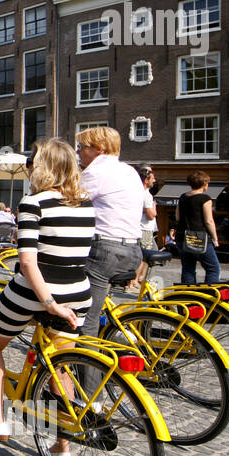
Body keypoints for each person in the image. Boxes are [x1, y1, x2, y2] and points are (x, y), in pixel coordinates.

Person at [0, 138, 94, 456]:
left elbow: (29, 262)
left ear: (44, 166)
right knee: (59, 366)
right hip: (78, 292)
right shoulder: (85, 204)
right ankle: (63, 446)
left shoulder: (34, 202)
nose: (28, 168)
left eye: (32, 163)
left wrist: (48, 302)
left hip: (38, 292)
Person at [76, 126, 145, 337]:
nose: (78, 152)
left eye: (81, 147)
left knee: (86, 318)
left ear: (98, 148)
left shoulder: (95, 172)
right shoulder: (129, 170)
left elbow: (71, 203)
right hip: (133, 250)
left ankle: (89, 367)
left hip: (105, 251)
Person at [176, 170, 221, 285]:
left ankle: (187, 297)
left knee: (188, 268)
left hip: (182, 237)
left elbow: (177, 217)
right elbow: (209, 221)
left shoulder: (182, 197)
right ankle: (209, 297)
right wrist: (215, 238)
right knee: (213, 268)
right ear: (204, 184)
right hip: (199, 237)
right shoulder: (205, 198)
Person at [128, 165, 159, 289]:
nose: (154, 180)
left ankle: (139, 278)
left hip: (139, 228)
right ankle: (135, 280)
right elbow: (151, 215)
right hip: (144, 229)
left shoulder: (134, 192)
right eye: (152, 178)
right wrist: (155, 208)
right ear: (146, 180)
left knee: (148, 254)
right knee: (143, 256)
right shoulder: (146, 195)